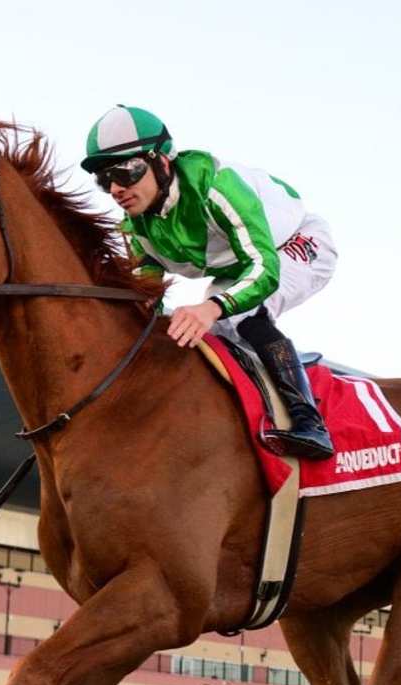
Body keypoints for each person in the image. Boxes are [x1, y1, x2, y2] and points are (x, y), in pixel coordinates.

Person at [81, 105, 337, 460]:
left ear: (162, 162)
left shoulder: (217, 187)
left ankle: (310, 422)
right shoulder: (134, 228)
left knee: (233, 318)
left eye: (127, 171)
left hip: (292, 244)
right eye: (103, 178)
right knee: (205, 337)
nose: (116, 188)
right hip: (239, 263)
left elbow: (264, 269)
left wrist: (211, 307)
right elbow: (143, 299)